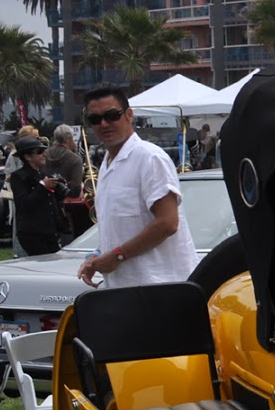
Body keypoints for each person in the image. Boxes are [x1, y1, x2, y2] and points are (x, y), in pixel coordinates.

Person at [77, 85, 197, 289]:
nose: (104, 124)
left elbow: (167, 223)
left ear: (129, 115)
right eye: (95, 119)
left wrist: (116, 256)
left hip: (160, 288)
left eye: (112, 115)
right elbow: (122, 227)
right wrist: (98, 256)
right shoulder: (107, 163)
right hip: (123, 289)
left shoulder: (150, 158)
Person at [6, 136, 67, 256]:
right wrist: (43, 186)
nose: (44, 154)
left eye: (43, 150)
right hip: (32, 234)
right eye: (39, 152)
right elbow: (24, 203)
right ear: (28, 157)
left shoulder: (43, 174)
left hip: (49, 232)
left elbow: (51, 202)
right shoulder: (18, 177)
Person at [44, 125, 90, 241]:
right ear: (69, 139)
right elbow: (75, 190)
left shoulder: (43, 155)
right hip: (69, 209)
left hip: (45, 203)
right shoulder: (74, 159)